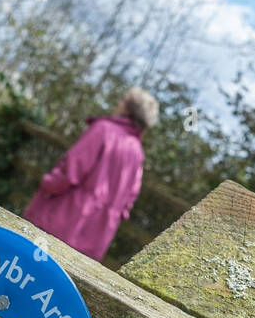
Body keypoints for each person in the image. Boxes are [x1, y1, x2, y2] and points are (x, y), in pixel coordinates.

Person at [23, 87, 158, 262]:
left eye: (122, 100)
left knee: (23, 271)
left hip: (59, 221)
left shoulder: (103, 129)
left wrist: (47, 183)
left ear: (128, 109)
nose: (118, 103)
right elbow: (129, 199)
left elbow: (71, 170)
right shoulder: (137, 151)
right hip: (94, 240)